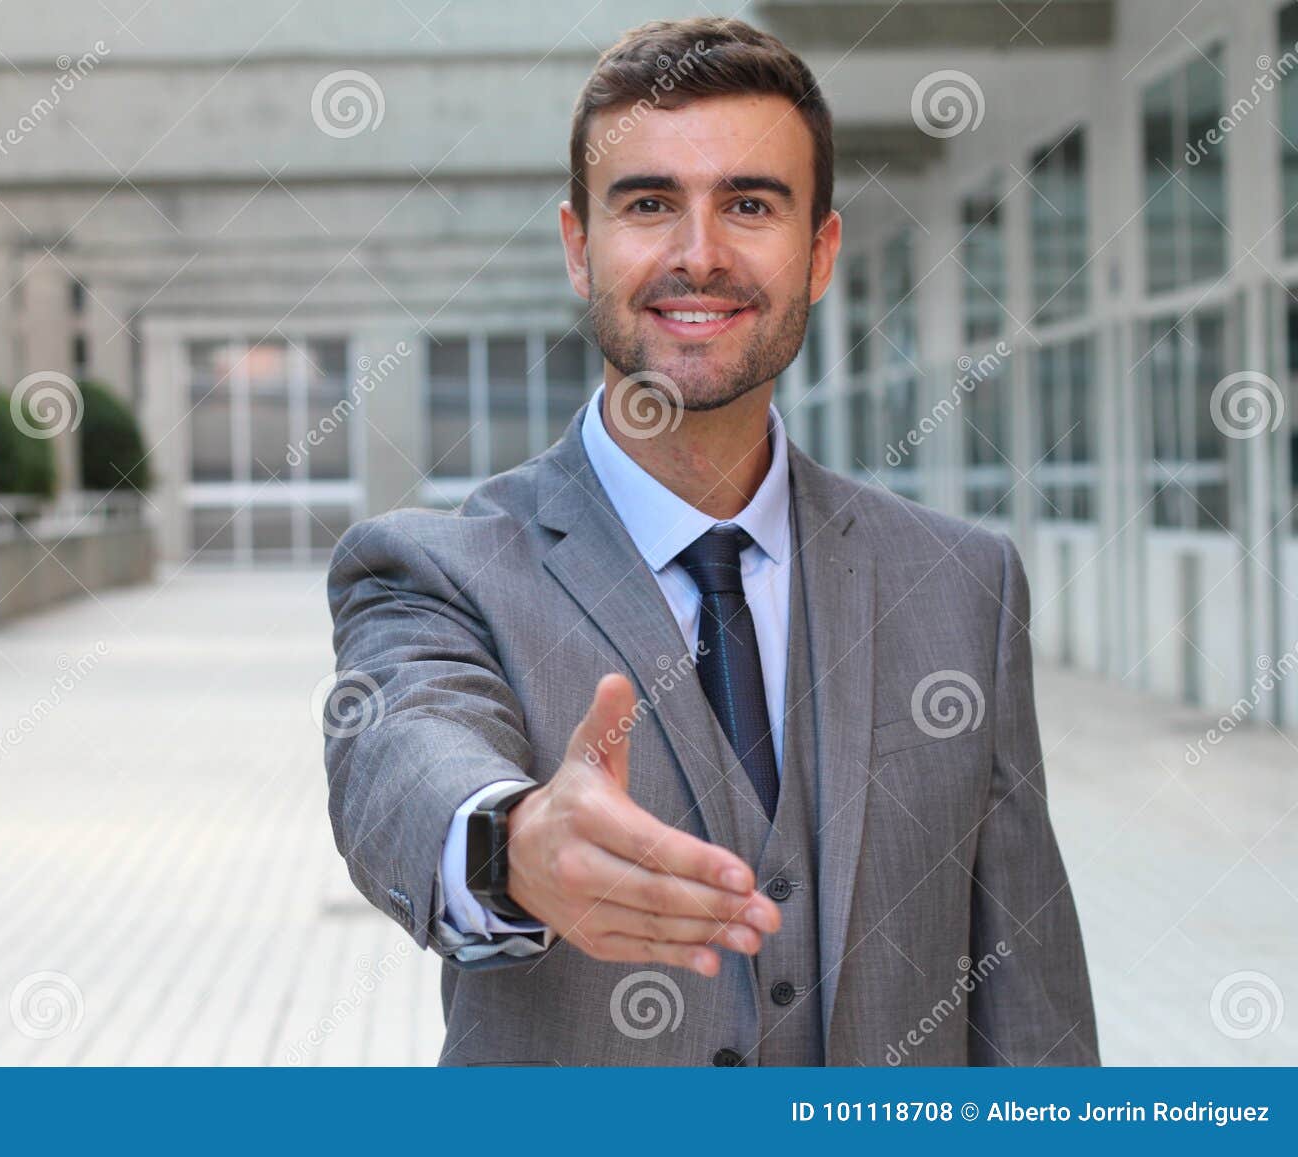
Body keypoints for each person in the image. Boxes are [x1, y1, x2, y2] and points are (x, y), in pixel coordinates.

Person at [323, 15, 1098, 1067]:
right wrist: (512, 841)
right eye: (648, 203)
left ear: (820, 252)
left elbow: (1028, 998)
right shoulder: (439, 571)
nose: (698, 254)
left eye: (749, 204)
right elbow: (400, 754)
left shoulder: (960, 581)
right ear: (577, 245)